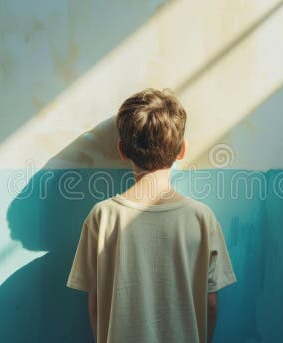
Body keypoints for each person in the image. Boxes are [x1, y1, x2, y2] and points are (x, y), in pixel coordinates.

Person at [66, 88, 237, 343]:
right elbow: (211, 305)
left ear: (122, 150)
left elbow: (95, 305)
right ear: (182, 149)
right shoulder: (203, 218)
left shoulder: (102, 216)